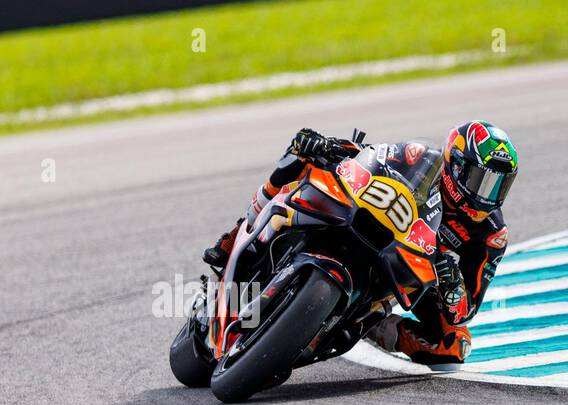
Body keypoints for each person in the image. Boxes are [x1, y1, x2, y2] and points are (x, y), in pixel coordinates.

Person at [204, 121, 517, 364]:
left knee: (455, 345)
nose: (487, 195)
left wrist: (453, 284)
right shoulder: (423, 158)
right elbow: (371, 155)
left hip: (411, 274)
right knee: (301, 154)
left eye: (498, 185)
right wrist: (328, 145)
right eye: (482, 180)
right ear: (456, 166)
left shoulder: (491, 234)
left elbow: (465, 311)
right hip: (373, 226)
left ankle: (374, 327)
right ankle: (237, 233)